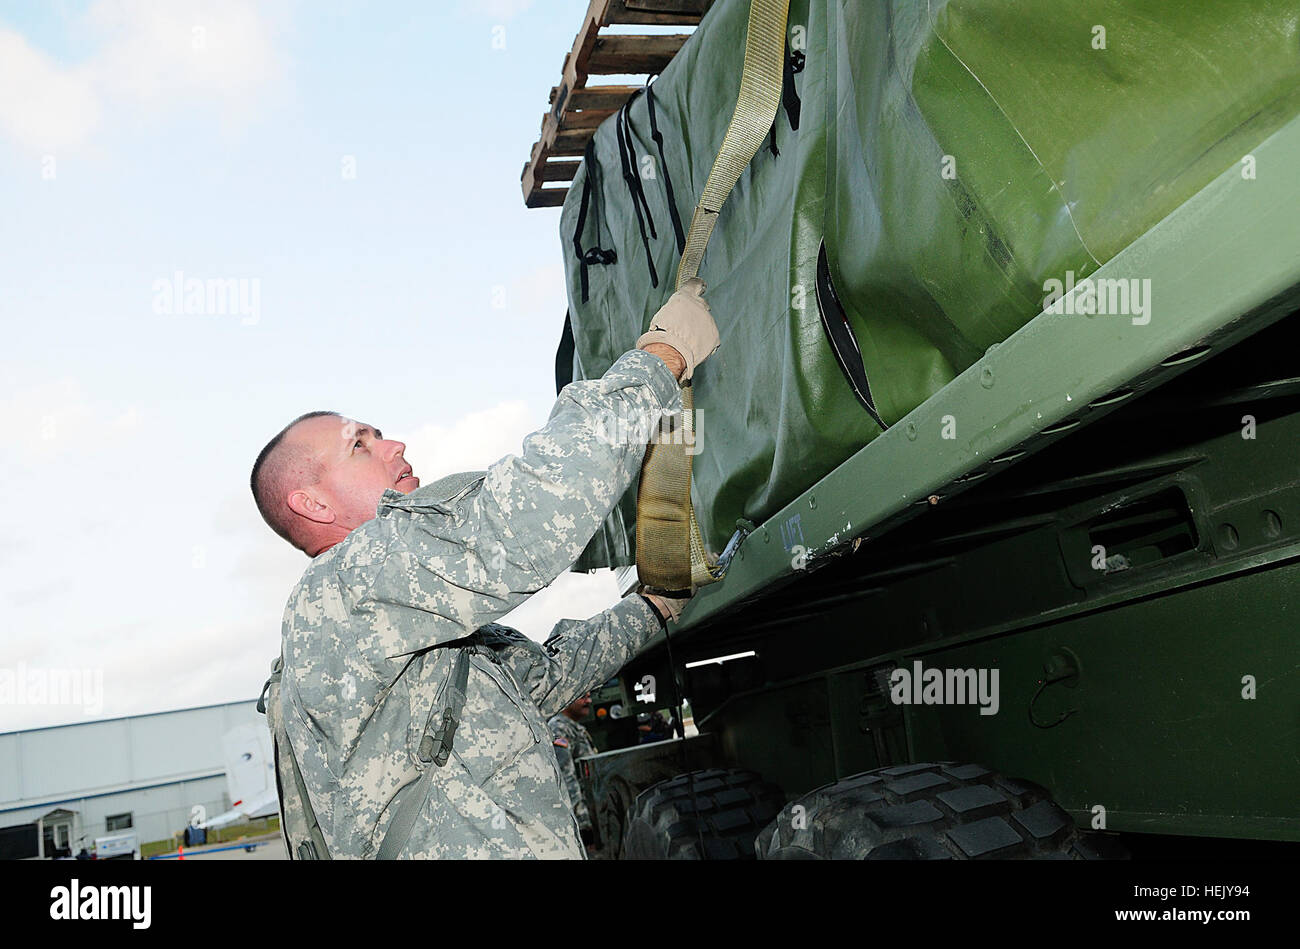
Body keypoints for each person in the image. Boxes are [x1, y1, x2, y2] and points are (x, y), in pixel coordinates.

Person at [250, 281, 718, 859]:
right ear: (313, 505)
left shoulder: (406, 624)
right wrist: (659, 360)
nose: (394, 443)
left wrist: (653, 607)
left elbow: (545, 678)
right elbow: (527, 515)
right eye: (360, 445)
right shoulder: (345, 586)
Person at [548, 693, 599, 843]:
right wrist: (583, 822)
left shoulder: (574, 728)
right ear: (567, 698)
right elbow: (566, 777)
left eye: (589, 696)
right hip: (585, 824)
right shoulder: (558, 729)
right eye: (583, 696)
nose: (588, 701)